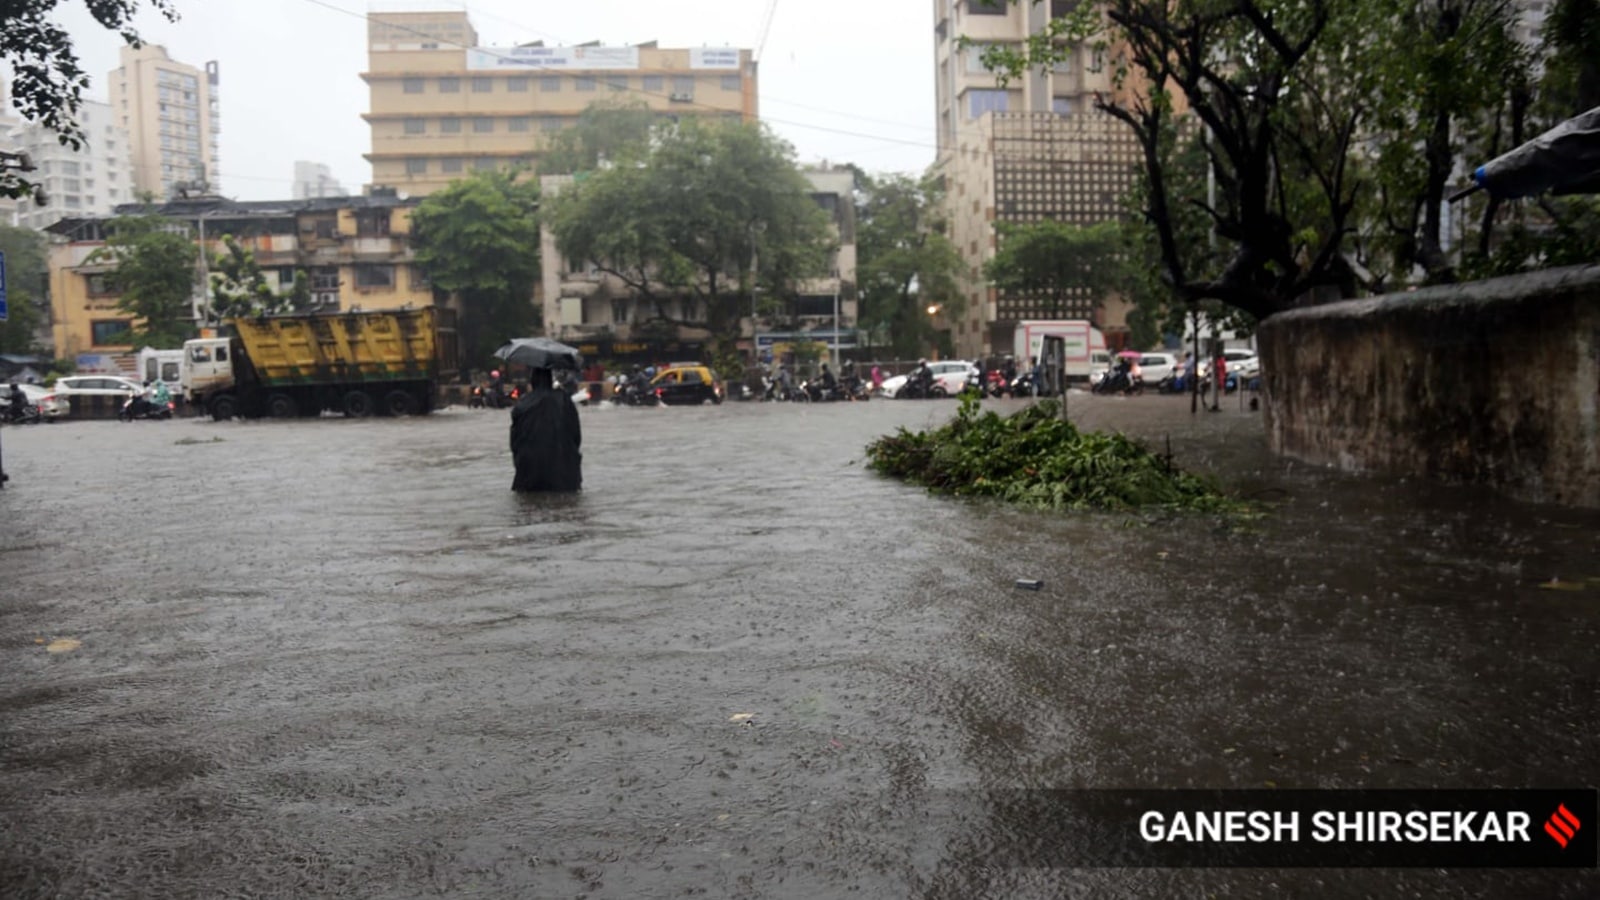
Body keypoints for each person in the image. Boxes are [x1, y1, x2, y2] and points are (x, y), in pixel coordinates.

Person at [510, 366, 582, 492]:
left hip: (529, 472)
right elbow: (576, 435)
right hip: (563, 471)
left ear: (532, 381)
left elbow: (514, 442)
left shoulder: (522, 404)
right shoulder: (564, 400)